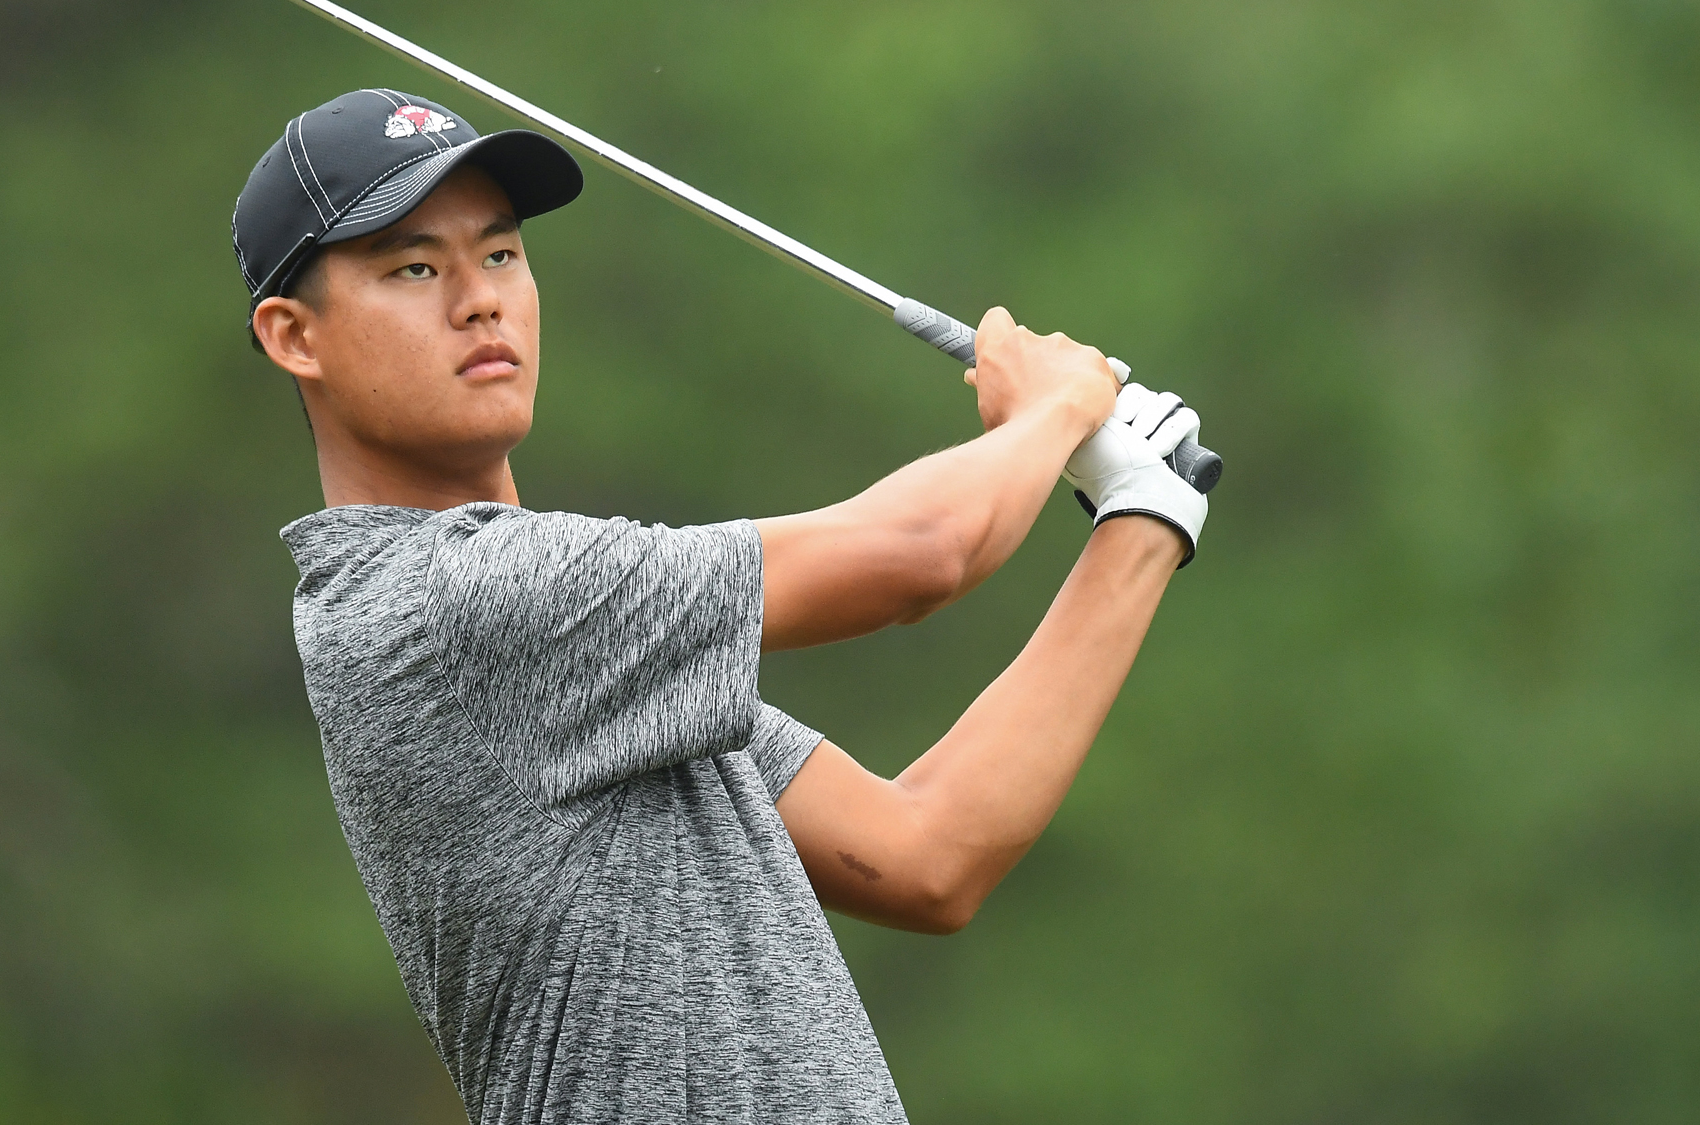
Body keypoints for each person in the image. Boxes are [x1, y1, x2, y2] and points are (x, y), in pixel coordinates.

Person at [234, 89, 1209, 1124]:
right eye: (414, 268)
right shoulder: (451, 603)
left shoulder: (594, 659)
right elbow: (922, 553)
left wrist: (1142, 517)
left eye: (502, 254)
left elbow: (925, 854)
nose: (479, 299)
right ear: (295, 337)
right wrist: (1057, 405)